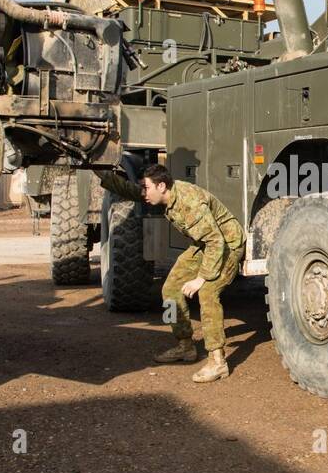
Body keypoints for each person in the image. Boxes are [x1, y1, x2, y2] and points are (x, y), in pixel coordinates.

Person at [97, 164, 246, 383]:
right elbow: (131, 191)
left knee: (207, 293)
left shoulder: (189, 202)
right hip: (203, 244)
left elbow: (216, 241)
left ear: (161, 186)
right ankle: (184, 345)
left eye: (146, 188)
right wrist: (100, 173)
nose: (143, 193)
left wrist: (201, 278)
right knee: (169, 290)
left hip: (228, 245)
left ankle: (217, 361)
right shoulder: (161, 193)